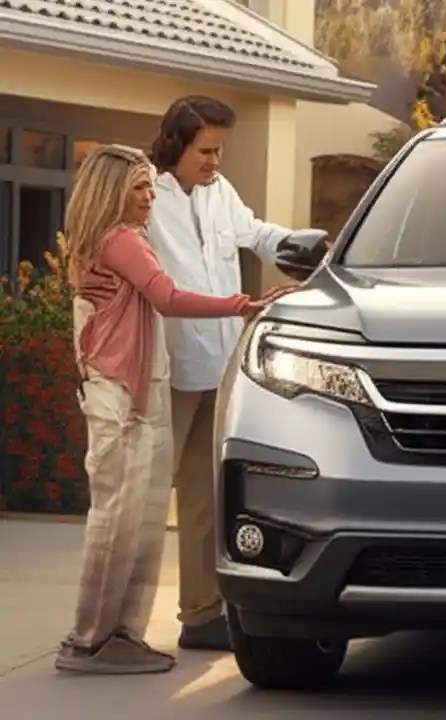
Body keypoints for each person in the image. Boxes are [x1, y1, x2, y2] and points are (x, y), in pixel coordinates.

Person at [55, 145, 267, 674]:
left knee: (137, 519)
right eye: (140, 189)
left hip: (125, 391)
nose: (151, 197)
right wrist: (241, 306)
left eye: (151, 186)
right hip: (124, 396)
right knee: (121, 520)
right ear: (112, 194)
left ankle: (115, 635)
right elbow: (167, 296)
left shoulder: (105, 240)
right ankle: (93, 641)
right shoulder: (121, 239)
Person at [146, 96, 304, 651]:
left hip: (219, 365)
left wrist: (310, 249)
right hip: (166, 369)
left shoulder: (220, 192)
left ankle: (201, 614)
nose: (215, 161)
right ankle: (119, 626)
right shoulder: (146, 197)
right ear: (176, 145)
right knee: (143, 500)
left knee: (203, 497)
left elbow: (256, 234)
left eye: (219, 150)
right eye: (206, 150)